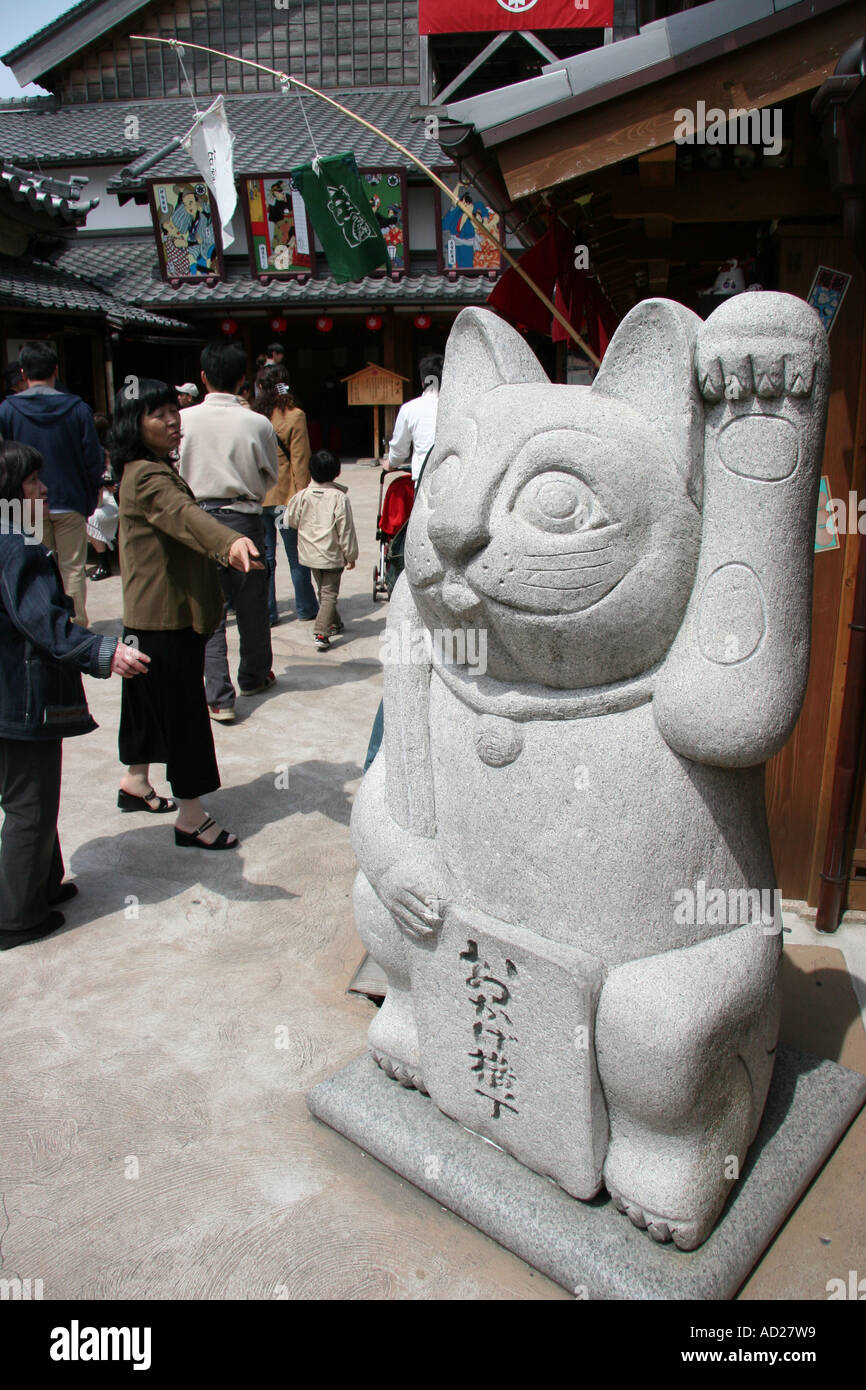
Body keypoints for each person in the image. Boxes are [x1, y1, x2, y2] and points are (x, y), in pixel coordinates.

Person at [0, 440, 149, 950]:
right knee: (28, 806)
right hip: (17, 697)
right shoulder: (17, 545)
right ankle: (17, 917)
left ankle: (42, 884)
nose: (43, 491)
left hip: (9, 692)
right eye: (32, 484)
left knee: (35, 800)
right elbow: (41, 620)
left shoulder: (12, 536)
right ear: (10, 494)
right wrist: (102, 652)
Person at [114, 380, 263, 847]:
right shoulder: (148, 476)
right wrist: (230, 541)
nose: (173, 421)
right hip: (167, 616)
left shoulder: (142, 467)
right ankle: (191, 817)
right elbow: (185, 516)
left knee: (143, 703)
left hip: (144, 613)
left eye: (172, 411)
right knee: (184, 718)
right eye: (157, 414)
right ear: (133, 424)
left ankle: (135, 783)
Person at [178, 340, 278, 723]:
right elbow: (271, 474)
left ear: (203, 377)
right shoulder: (257, 423)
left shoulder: (183, 422)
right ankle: (253, 676)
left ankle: (218, 696)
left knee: (210, 609)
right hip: (244, 519)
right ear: (242, 381)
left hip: (197, 521)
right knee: (252, 607)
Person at [0, 341, 103, 624]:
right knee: (72, 568)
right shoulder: (78, 409)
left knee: (35, 565)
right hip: (70, 499)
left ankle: (44, 624)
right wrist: (92, 494)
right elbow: (92, 457)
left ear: (23, 373)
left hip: (25, 503)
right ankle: (75, 625)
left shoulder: (7, 411)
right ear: (56, 370)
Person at [254, 365, 318, 626]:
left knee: (265, 558)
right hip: (286, 499)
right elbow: (301, 463)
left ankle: (268, 612)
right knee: (295, 557)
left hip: (258, 496)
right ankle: (305, 607)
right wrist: (303, 498)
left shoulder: (253, 418)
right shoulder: (295, 416)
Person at [282, 448, 358, 652]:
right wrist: (351, 555)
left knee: (323, 591)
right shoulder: (339, 498)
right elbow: (346, 529)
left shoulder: (302, 496)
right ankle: (321, 632)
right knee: (329, 594)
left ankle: (335, 622)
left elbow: (289, 520)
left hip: (309, 554)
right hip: (331, 555)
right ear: (337, 473)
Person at [385, 354, 443, 482]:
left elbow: (399, 451)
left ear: (423, 382)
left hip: (424, 479)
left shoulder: (410, 409)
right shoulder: (459, 407)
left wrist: (390, 463)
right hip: (454, 481)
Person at [86, 413, 118, 581]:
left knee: (92, 517)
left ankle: (103, 563)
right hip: (99, 497)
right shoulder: (89, 452)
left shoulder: (110, 453)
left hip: (111, 501)